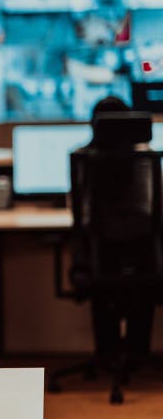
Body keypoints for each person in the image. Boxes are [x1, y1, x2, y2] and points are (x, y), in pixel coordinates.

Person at [71, 96, 156, 364]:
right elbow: (155, 208)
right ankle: (137, 354)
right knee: (145, 285)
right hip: (145, 258)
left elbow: (79, 212)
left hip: (98, 258)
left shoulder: (82, 158)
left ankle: (106, 355)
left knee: (102, 283)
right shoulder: (145, 159)